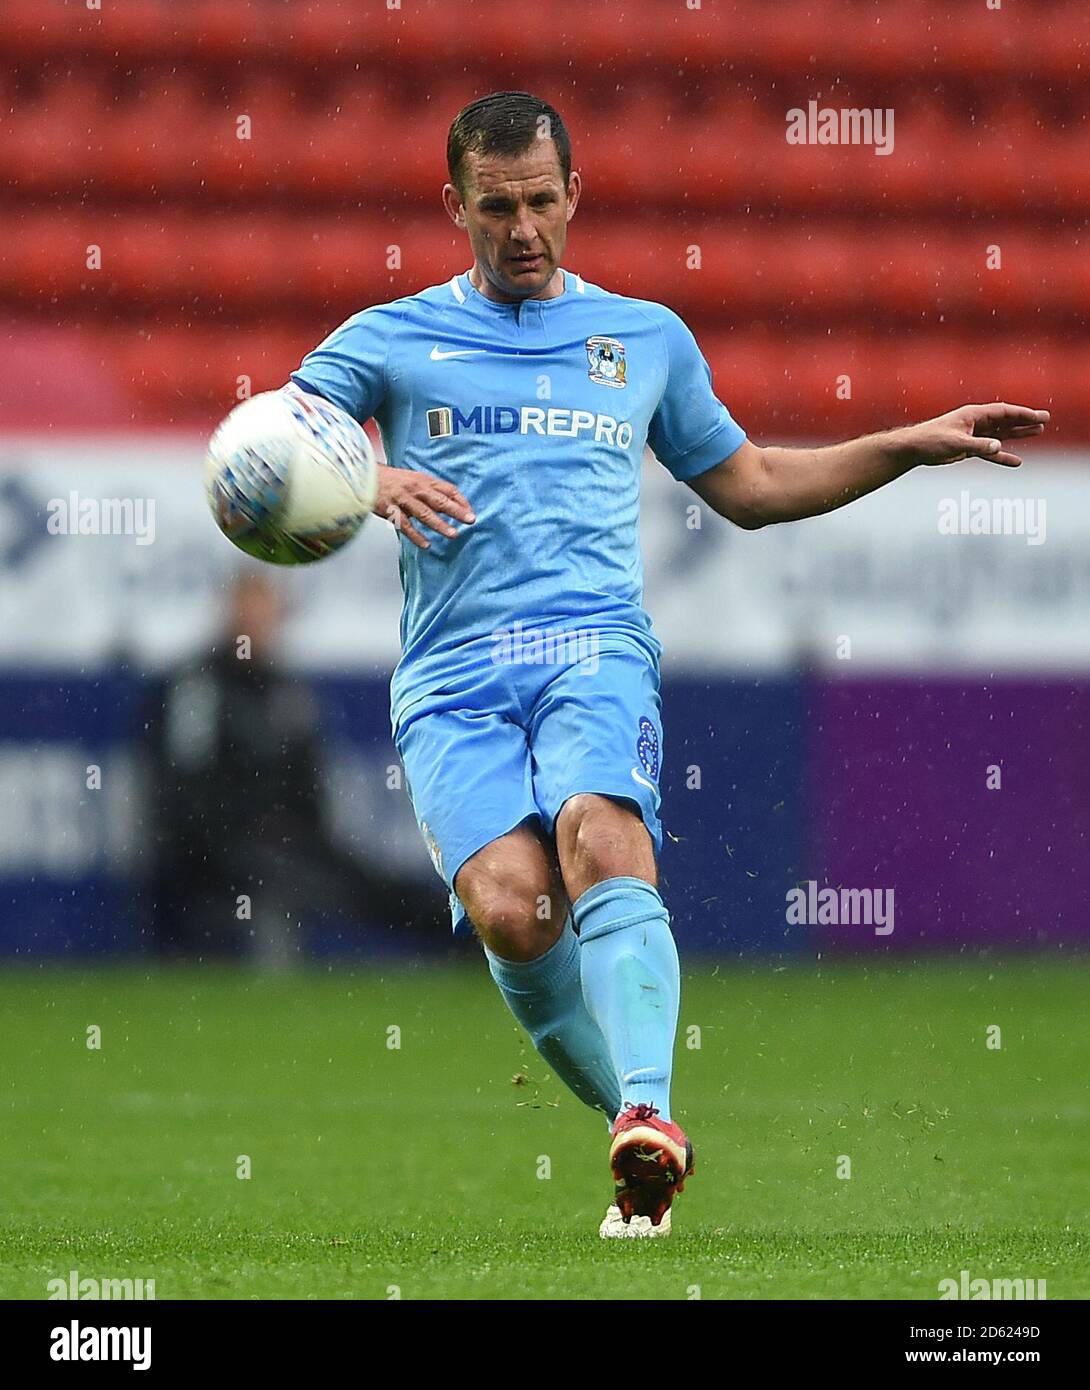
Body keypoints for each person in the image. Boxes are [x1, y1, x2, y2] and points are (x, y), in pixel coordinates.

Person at [285, 91, 1048, 1235]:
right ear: (454, 207)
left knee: (598, 829)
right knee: (510, 908)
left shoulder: (644, 337)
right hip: (450, 674)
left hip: (591, 644)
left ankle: (651, 1109)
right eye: (496, 207)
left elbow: (750, 488)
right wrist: (362, 477)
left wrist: (907, 441)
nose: (524, 227)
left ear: (575, 193)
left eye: (543, 200)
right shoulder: (390, 338)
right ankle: (631, 1128)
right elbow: (271, 436)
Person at [146, 571, 445, 966]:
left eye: (268, 612)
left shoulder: (286, 691)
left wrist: (295, 830)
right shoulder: (199, 686)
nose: (260, 623)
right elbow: (184, 790)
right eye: (251, 610)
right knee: (287, 881)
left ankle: (472, 943)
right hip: (217, 854)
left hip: (293, 843)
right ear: (230, 612)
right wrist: (244, 831)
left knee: (378, 887)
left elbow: (309, 785)